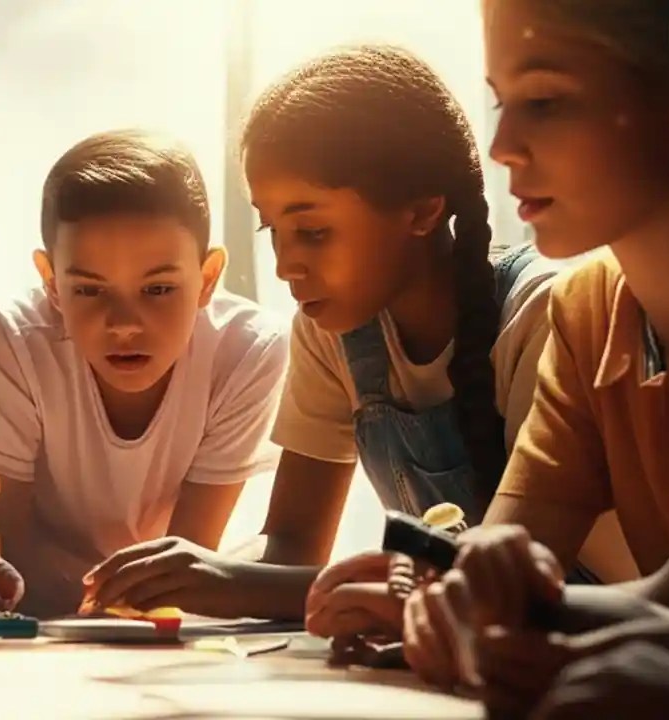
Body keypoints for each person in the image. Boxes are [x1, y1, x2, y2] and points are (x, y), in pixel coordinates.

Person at [84, 45, 631, 624]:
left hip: (587, 639)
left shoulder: (542, 317)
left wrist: (231, 581)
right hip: (467, 640)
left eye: (313, 231)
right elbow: (294, 542)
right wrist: (197, 575)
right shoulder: (333, 334)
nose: (284, 267)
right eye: (274, 230)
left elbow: (503, 592)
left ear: (421, 212)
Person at [366, 0, 669, 707]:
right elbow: (507, 551)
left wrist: (482, 613)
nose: (501, 146)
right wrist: (459, 585)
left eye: (544, 101)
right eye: (500, 103)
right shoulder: (584, 314)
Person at [0, 129, 289, 617]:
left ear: (207, 279)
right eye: (90, 291)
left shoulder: (249, 351)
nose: (124, 324)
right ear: (52, 283)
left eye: (159, 290)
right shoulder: (8, 340)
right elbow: (6, 554)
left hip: (178, 617)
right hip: (40, 612)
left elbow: (181, 567)